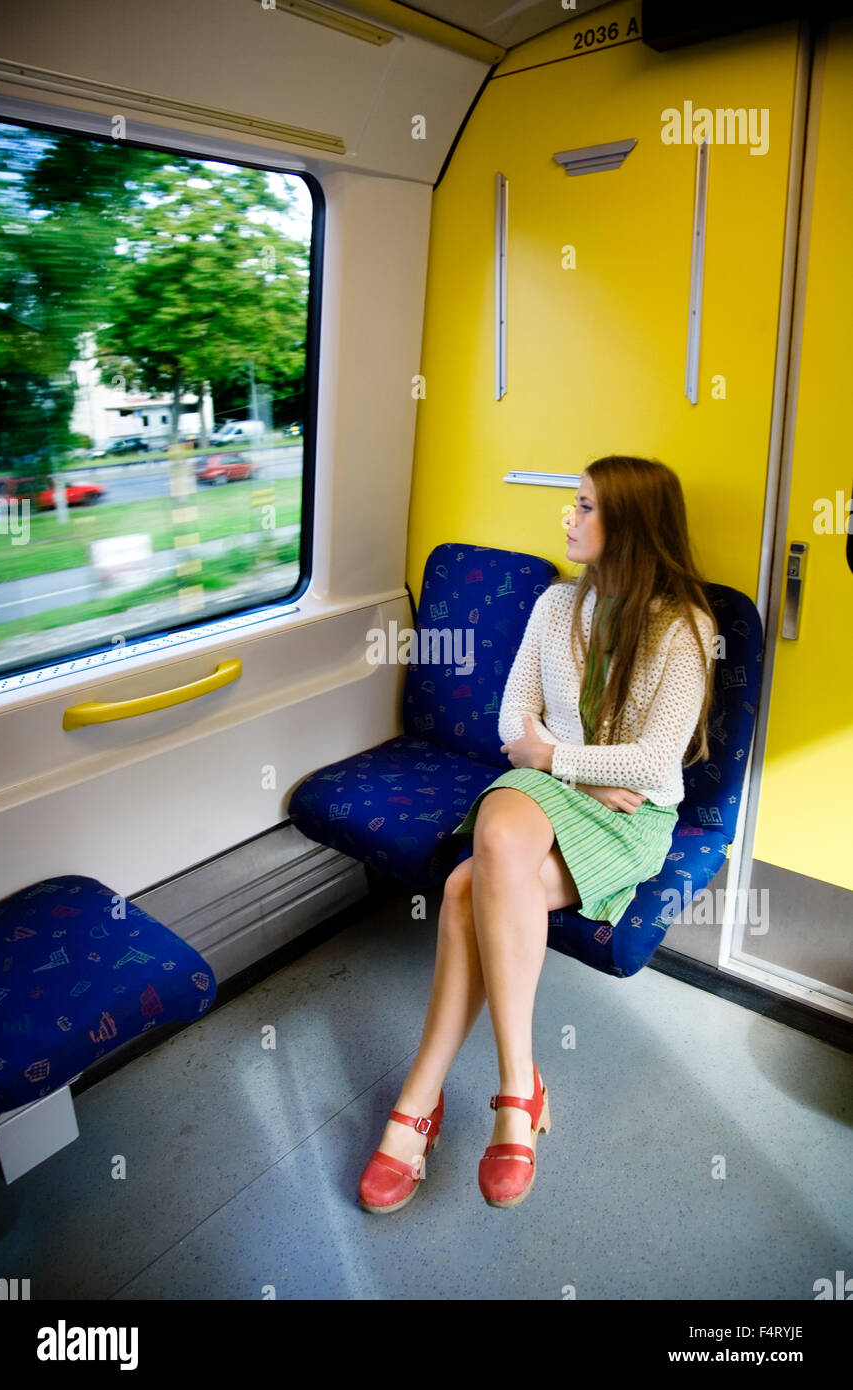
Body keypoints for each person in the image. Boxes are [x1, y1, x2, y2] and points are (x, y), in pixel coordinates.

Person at [357, 455, 717, 1213]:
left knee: (464, 888)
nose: (568, 519)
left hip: (633, 818)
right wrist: (576, 769)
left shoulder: (685, 628)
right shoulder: (556, 607)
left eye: (585, 507)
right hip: (565, 791)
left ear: (631, 524)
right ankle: (517, 1086)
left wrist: (554, 754)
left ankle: (421, 1099)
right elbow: (509, 727)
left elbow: (654, 764)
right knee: (499, 824)